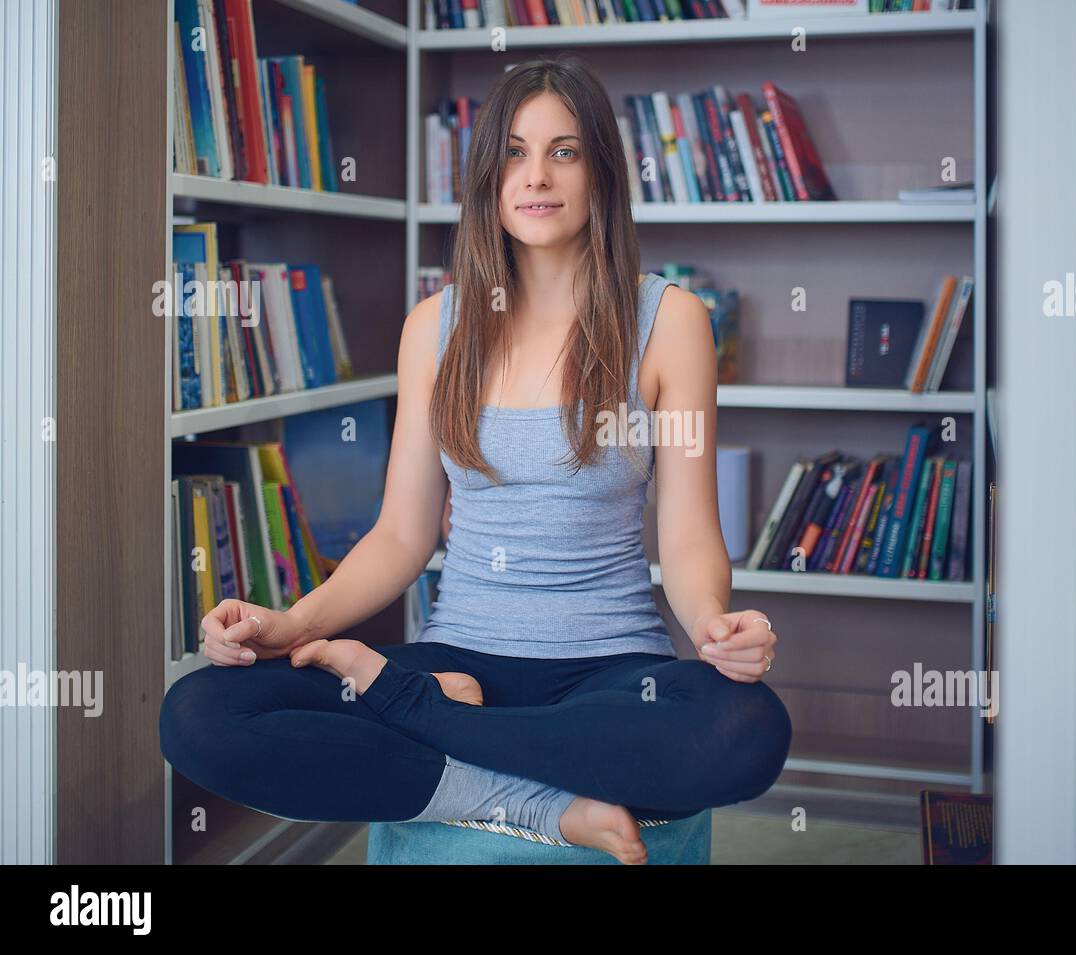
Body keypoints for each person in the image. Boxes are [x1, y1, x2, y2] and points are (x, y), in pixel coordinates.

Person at [159, 53, 792, 865]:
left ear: (601, 171)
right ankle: (534, 802)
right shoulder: (437, 326)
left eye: (564, 151)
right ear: (488, 176)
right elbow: (400, 535)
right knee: (201, 713)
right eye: (514, 153)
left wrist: (713, 626)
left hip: (608, 671)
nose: (537, 175)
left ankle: (429, 720)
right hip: (457, 654)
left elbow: (689, 532)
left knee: (745, 731)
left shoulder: (671, 322)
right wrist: (290, 624)